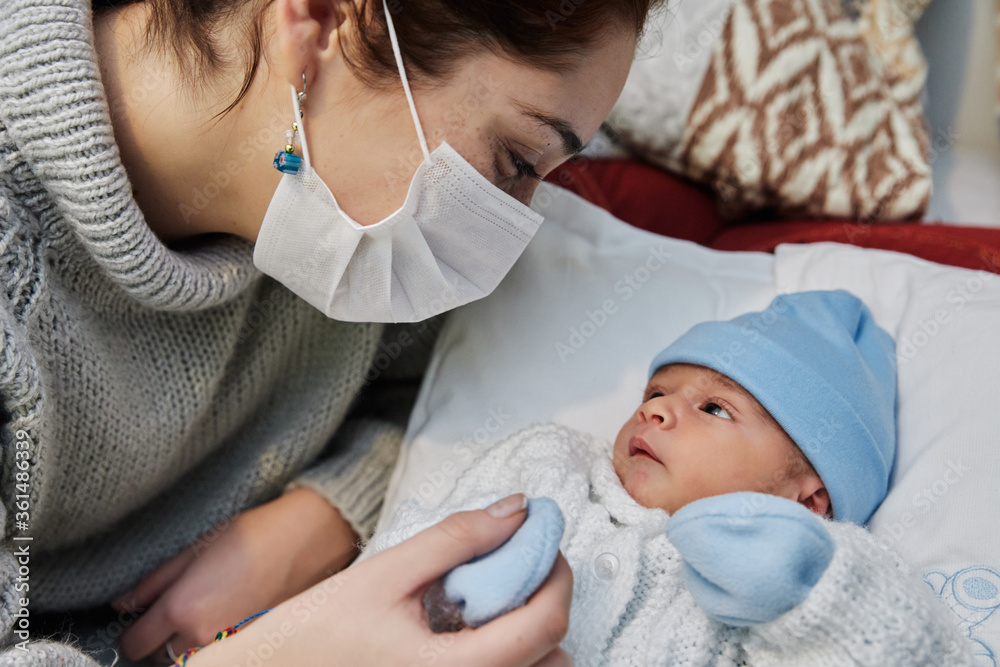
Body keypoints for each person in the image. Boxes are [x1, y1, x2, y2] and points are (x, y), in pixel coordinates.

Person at [0, 0, 660, 663]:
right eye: (516, 161)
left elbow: (430, 380)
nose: (503, 237)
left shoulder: (341, 216)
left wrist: (324, 513)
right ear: (319, 22)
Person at [368, 291, 979, 665]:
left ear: (808, 498)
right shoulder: (551, 462)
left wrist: (807, 593)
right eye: (658, 391)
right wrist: (459, 587)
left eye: (715, 409)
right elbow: (400, 551)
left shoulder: (816, 575)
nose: (655, 410)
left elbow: (908, 652)